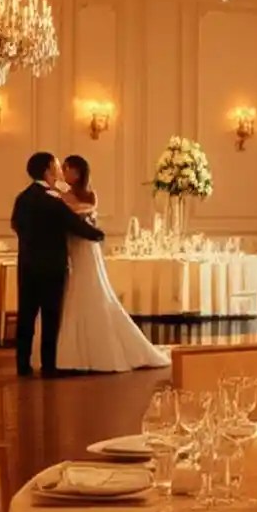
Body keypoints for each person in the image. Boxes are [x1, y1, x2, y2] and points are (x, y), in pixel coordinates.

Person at [54, 154, 169, 372]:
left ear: (79, 174)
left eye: (71, 170)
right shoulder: (60, 189)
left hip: (86, 245)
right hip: (73, 245)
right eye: (66, 169)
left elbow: (81, 211)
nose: (67, 174)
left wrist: (70, 205)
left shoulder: (88, 194)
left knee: (89, 286)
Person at [10, 152, 106, 377]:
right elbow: (74, 225)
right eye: (55, 166)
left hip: (27, 265)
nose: (59, 170)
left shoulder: (23, 198)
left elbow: (15, 224)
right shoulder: (51, 199)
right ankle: (48, 366)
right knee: (50, 317)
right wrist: (98, 234)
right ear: (47, 170)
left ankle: (22, 365)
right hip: (52, 266)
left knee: (26, 316)